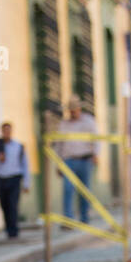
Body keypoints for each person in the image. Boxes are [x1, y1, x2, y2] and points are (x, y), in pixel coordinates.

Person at [55, 94, 98, 226]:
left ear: (79, 109)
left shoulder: (89, 122)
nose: (73, 112)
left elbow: (96, 140)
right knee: (68, 190)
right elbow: (59, 144)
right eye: (71, 110)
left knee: (84, 191)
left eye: (75, 109)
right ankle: (68, 220)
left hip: (85, 159)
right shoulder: (64, 125)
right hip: (68, 160)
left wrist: (96, 154)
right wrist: (58, 162)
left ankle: (84, 218)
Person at [0, 122, 30, 239]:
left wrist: (26, 183)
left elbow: (25, 165)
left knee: (13, 204)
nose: (7, 133)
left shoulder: (18, 146)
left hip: (15, 179)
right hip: (2, 179)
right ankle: (8, 228)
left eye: (8, 130)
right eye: (4, 130)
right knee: (4, 205)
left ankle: (14, 231)